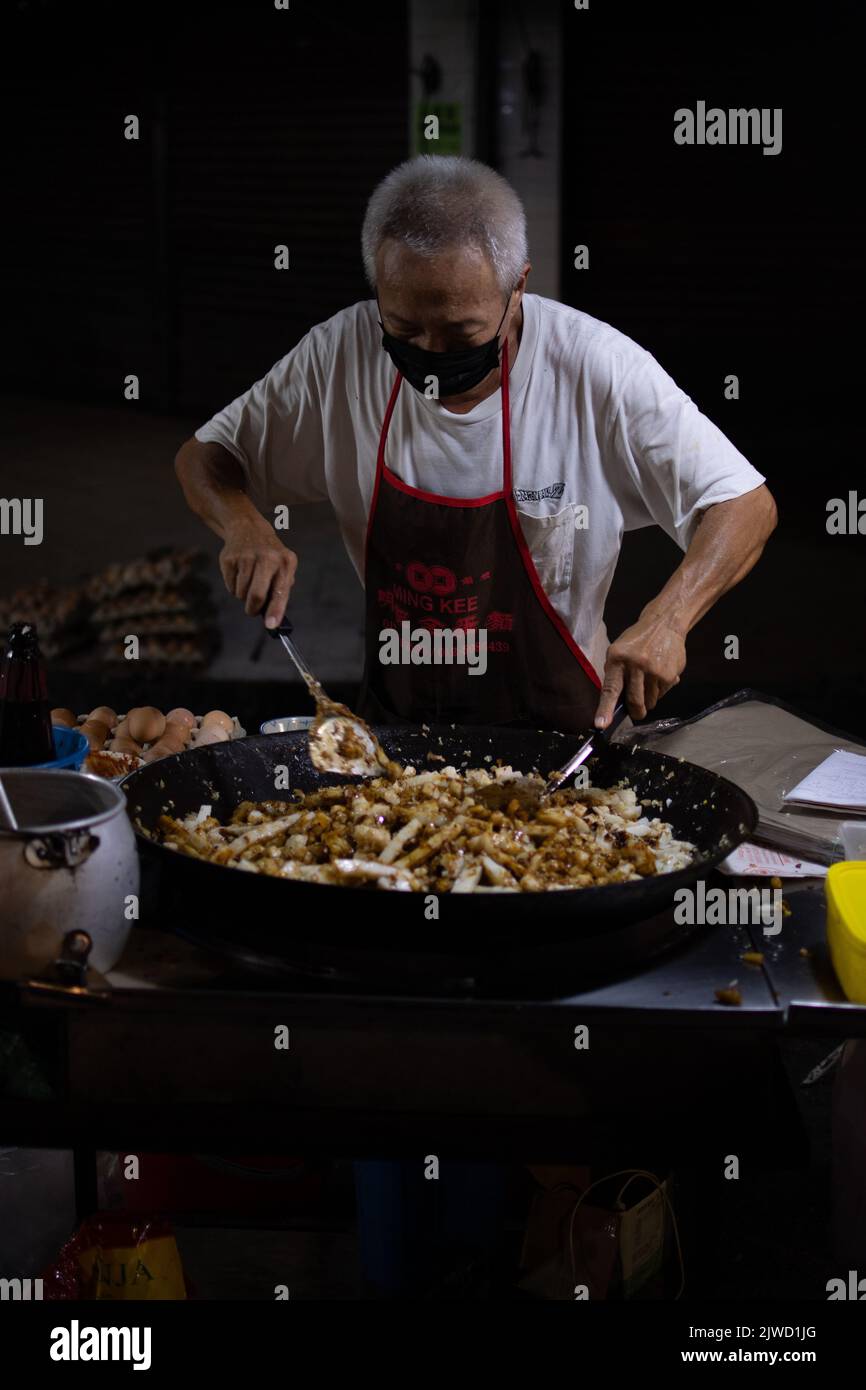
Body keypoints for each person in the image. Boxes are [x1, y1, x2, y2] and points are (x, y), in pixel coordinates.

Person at [176, 154, 776, 732]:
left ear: (518, 288)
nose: (431, 354)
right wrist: (243, 525)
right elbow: (206, 456)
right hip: (398, 731)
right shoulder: (339, 355)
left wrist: (669, 618)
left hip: (561, 733)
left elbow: (744, 503)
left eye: (461, 332)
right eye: (405, 328)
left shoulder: (598, 368)